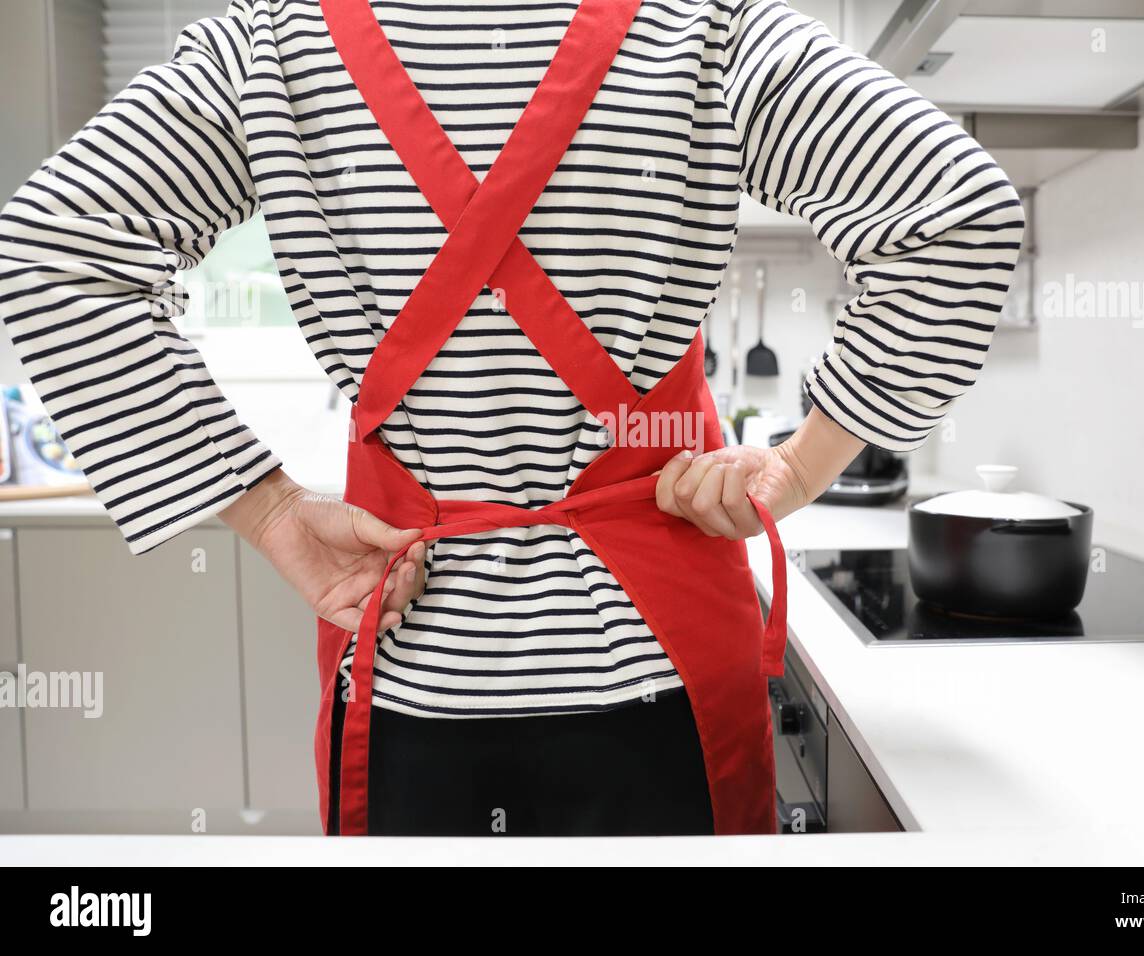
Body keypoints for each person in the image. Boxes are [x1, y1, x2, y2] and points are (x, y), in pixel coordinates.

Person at [0, 0, 1023, 836]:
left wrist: (268, 510)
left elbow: (51, 251)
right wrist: (798, 468)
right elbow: (959, 213)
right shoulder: (704, 29)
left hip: (408, 677)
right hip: (659, 676)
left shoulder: (267, 46)